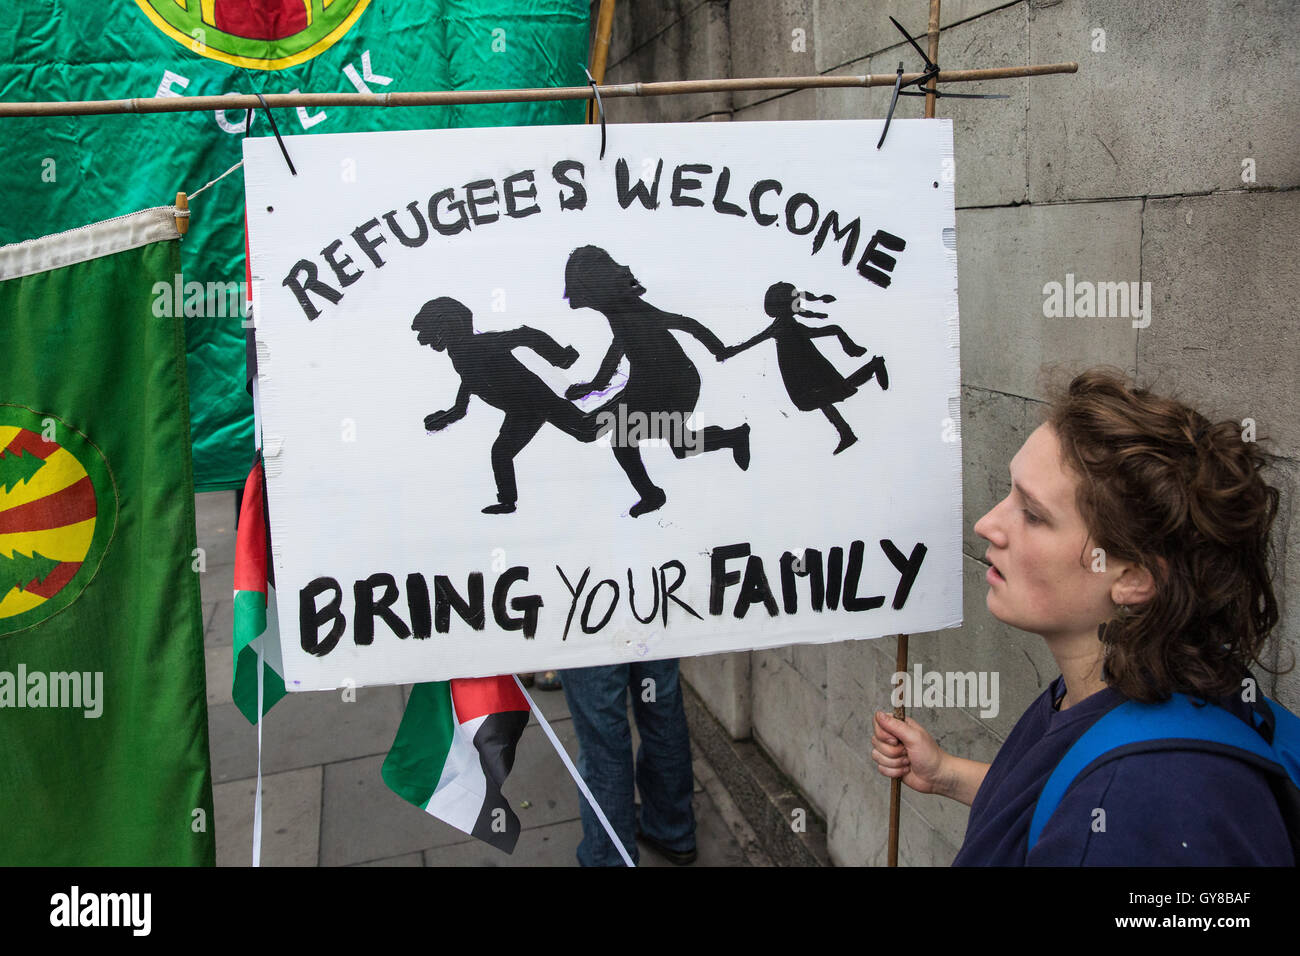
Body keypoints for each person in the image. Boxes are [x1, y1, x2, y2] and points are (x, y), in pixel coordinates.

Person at [871, 367, 1295, 865]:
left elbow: (1115, 812)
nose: (988, 524)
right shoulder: (1137, 686)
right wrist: (948, 774)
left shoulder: (1158, 798)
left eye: (1033, 514)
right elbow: (1073, 798)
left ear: (1134, 578)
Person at [563, 245, 750, 517]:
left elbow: (687, 324)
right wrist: (595, 384)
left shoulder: (633, 309)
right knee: (681, 446)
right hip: (652, 383)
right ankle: (733, 436)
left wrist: (718, 349)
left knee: (625, 440)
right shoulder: (618, 312)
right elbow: (620, 345)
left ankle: (652, 494)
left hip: (672, 383)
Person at [411, 296, 602, 514]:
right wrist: (445, 417)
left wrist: (561, 357)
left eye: (432, 330)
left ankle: (627, 402)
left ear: (449, 324)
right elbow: (468, 389)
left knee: (587, 430)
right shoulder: (461, 356)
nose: (425, 340)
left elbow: (525, 335)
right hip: (520, 412)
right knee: (502, 453)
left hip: (538, 400)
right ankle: (507, 502)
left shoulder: (480, 345)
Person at [722, 281, 888, 454]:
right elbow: (822, 331)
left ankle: (873, 366)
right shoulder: (787, 324)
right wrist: (838, 332)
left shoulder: (781, 326)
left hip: (802, 370)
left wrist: (730, 352)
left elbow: (753, 341)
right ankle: (846, 432)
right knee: (822, 397)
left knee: (822, 396)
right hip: (803, 369)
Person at [561, 659, 698, 866]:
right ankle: (672, 828)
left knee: (602, 739)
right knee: (661, 712)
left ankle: (611, 858)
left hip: (589, 635)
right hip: (652, 630)